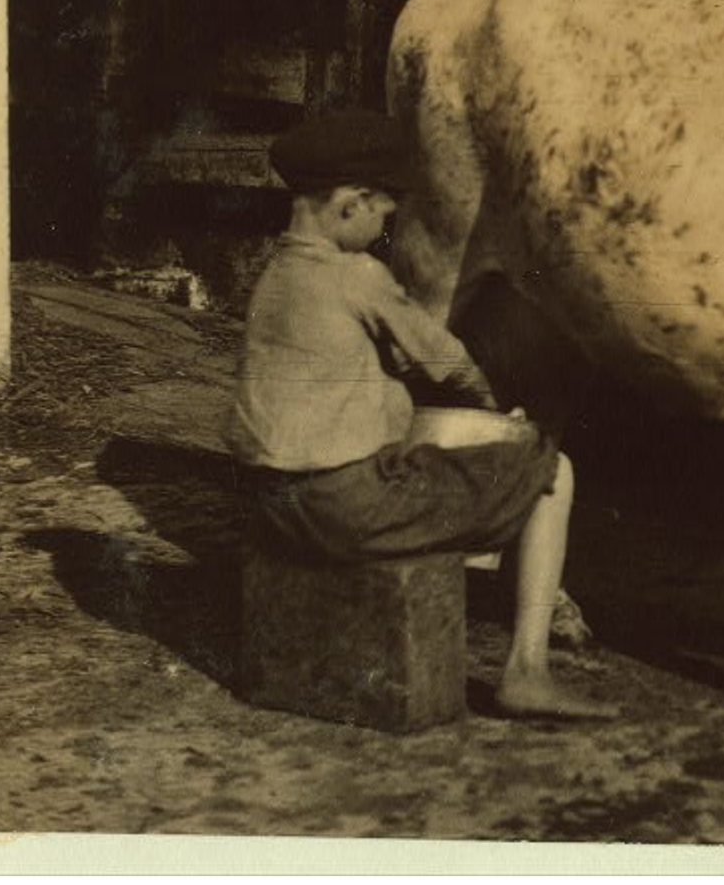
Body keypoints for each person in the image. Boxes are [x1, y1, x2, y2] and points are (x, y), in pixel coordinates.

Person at [225, 108, 612, 720]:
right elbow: (449, 363)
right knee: (549, 470)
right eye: (382, 213)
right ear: (350, 205)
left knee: (427, 461)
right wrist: (499, 413)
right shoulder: (358, 275)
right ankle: (527, 670)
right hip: (343, 508)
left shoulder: (274, 275)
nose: (386, 228)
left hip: (268, 504)